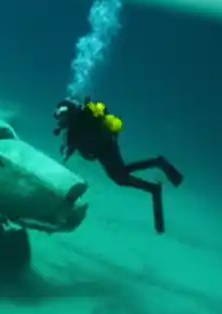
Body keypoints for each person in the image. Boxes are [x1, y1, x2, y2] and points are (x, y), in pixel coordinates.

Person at [52, 97, 184, 234]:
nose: (60, 123)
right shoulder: (73, 129)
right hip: (103, 150)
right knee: (121, 176)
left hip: (106, 149)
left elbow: (77, 142)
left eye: (62, 118)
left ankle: (155, 181)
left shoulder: (84, 116)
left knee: (120, 177)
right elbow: (73, 146)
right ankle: (155, 178)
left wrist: (67, 153)